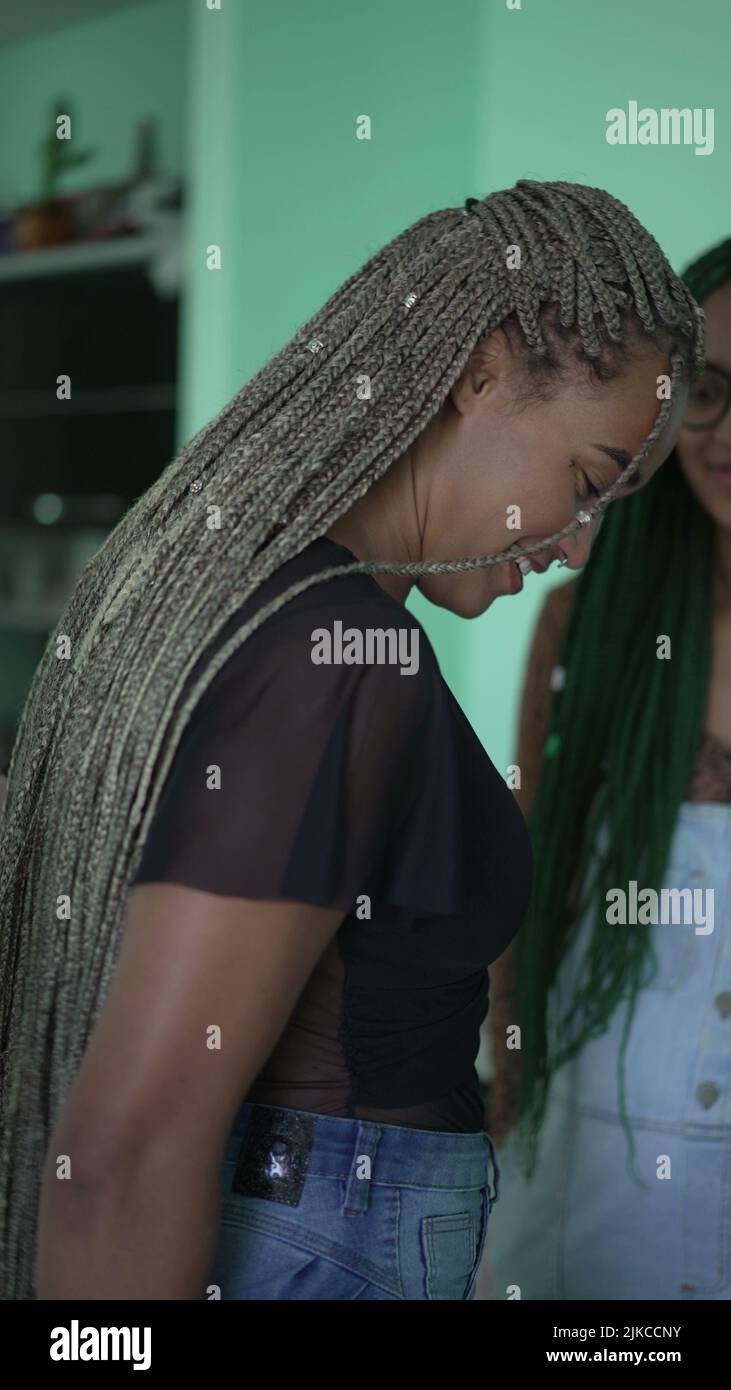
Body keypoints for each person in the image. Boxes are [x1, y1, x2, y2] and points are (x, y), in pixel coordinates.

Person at [0, 180, 701, 1301]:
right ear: (479, 371)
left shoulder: (273, 613)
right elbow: (125, 1152)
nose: (575, 549)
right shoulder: (337, 655)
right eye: (584, 482)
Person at [482, 237, 731, 1302]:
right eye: (709, 392)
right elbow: (525, 880)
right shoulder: (584, 620)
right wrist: (505, 1092)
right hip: (589, 1167)